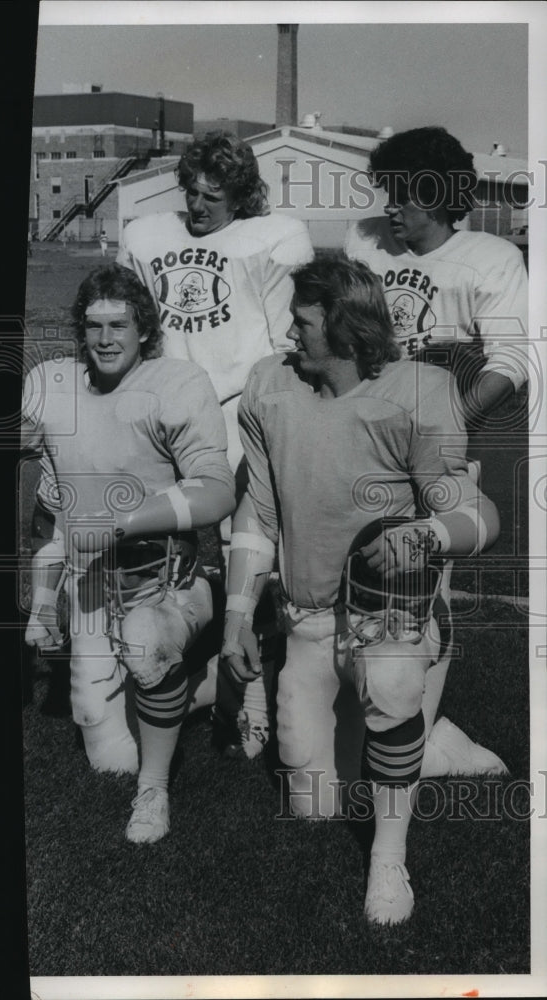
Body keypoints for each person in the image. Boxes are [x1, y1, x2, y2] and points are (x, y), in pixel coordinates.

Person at [220, 256, 501, 925]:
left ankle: (388, 858)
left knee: (394, 687)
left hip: (389, 613)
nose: (291, 332)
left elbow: (480, 515)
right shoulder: (268, 386)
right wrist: (235, 617)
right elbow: (257, 515)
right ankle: (427, 745)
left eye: (305, 321)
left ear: (347, 330)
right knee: (315, 802)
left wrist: (426, 535)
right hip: (309, 620)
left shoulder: (418, 391)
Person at [116, 130, 314, 757]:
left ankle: (248, 694)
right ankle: (148, 655)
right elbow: (134, 320)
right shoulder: (150, 235)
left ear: (241, 193)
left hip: (239, 405)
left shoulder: (273, 234)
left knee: (246, 546)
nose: (199, 206)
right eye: (192, 192)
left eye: (214, 194)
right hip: (172, 404)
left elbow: (289, 339)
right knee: (151, 534)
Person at [22, 263, 235, 843]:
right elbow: (47, 514)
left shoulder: (176, 383)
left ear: (144, 328)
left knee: (145, 648)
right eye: (94, 326)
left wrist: (120, 523)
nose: (106, 338)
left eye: (120, 324)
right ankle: (204, 683)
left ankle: (156, 787)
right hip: (90, 585)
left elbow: (217, 490)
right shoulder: (54, 384)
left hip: (164, 579)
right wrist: (44, 604)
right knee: (106, 750)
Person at [345, 125, 528, 776]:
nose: (391, 206)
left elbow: (512, 361)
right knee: (352, 571)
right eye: (387, 191)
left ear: (442, 195)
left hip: (444, 442)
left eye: (405, 194)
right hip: (363, 432)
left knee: (425, 582)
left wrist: (451, 422)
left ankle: (417, 738)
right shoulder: (363, 240)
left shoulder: (491, 257)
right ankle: (382, 722)